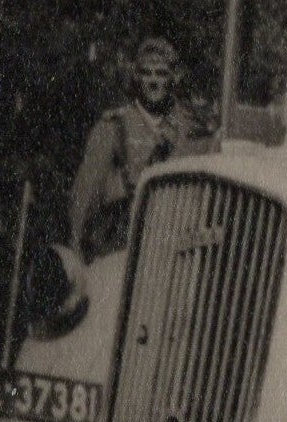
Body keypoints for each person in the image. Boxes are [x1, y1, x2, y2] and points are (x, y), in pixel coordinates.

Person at [69, 37, 199, 262]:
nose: (153, 81)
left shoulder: (186, 130)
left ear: (172, 79)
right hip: (123, 249)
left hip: (173, 250)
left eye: (161, 73)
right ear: (137, 78)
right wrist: (76, 248)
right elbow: (84, 196)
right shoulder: (114, 128)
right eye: (147, 73)